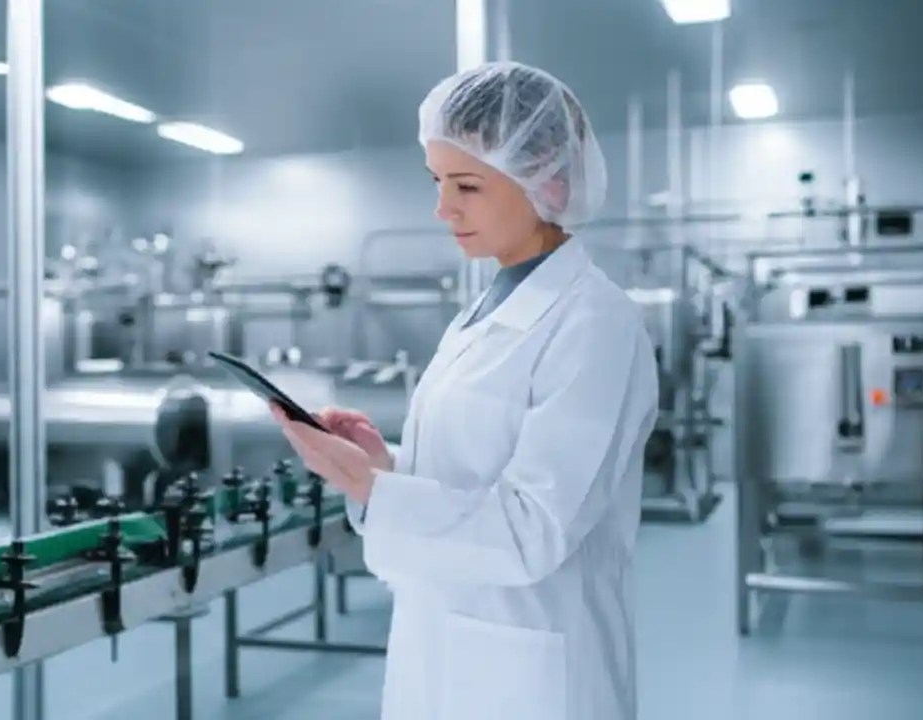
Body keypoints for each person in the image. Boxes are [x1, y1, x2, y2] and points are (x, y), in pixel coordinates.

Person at [272, 61, 659, 720]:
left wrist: (373, 491)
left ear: (550, 183)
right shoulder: (482, 311)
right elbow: (463, 480)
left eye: (468, 185)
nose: (442, 207)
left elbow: (531, 532)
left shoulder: (596, 325)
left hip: (536, 680)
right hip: (443, 652)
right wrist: (384, 465)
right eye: (438, 181)